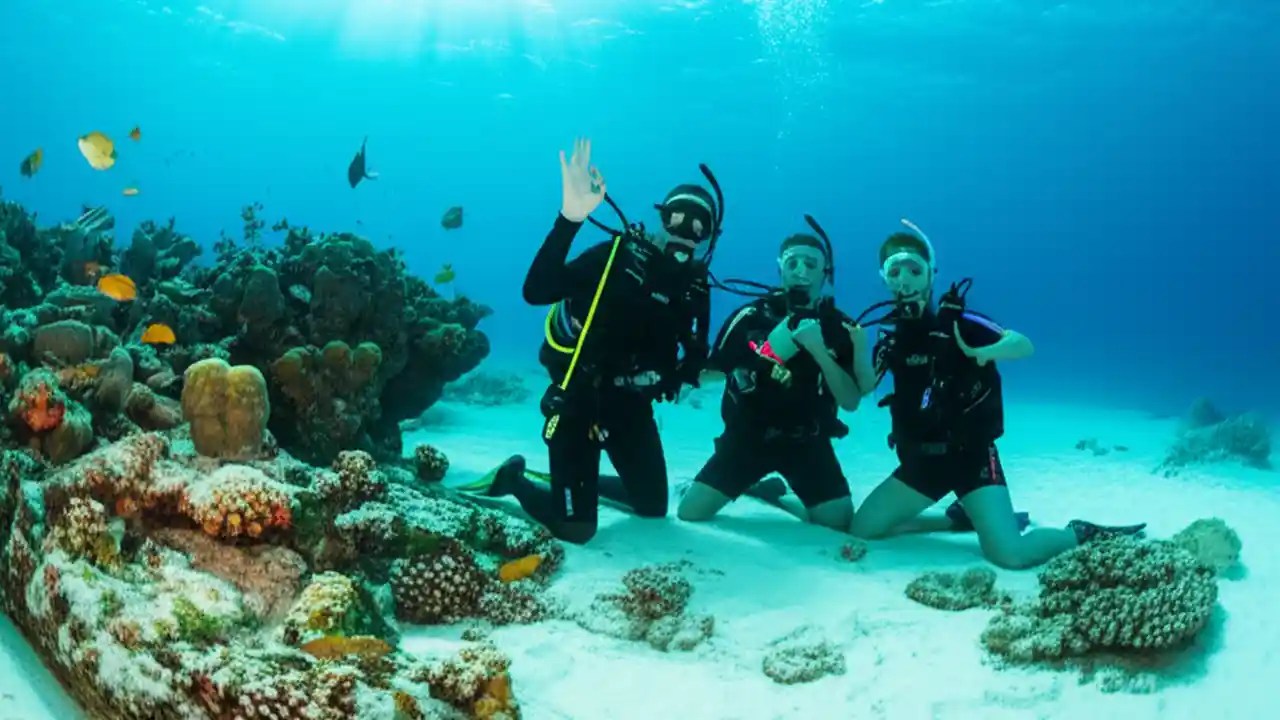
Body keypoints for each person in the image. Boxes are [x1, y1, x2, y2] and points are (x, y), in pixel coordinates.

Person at [463, 138, 720, 544]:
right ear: (661, 218)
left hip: (631, 407)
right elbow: (537, 290)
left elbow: (692, 361)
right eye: (676, 219)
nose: (685, 233)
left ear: (709, 238)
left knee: (653, 505)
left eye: (699, 227)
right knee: (576, 529)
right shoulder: (617, 258)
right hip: (581, 397)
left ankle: (569, 480)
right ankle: (514, 477)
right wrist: (570, 218)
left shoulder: (696, 289)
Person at [848, 221, 1145, 568]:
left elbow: (1023, 345)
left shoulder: (962, 324)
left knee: (1010, 555)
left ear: (931, 273)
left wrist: (985, 353)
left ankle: (1077, 533)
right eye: (894, 270)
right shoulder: (891, 338)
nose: (904, 278)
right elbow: (864, 389)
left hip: (971, 458)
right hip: (923, 463)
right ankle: (960, 518)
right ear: (884, 277)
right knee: (862, 528)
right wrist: (856, 348)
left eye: (914, 268)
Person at [676, 220, 872, 530]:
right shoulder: (750, 317)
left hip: (807, 441)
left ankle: (773, 496)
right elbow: (711, 372)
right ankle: (751, 483)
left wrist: (820, 351)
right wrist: (686, 377)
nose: (801, 271)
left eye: (811, 263)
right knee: (690, 513)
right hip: (747, 438)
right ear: (781, 267)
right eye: (792, 262)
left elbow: (850, 402)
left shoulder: (839, 329)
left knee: (838, 522)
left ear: (826, 272)